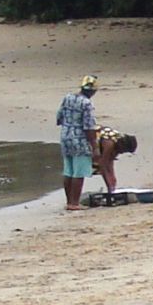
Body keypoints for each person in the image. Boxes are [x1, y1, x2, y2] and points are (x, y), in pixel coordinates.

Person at [56, 74, 100, 210]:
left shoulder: (68, 98)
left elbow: (59, 118)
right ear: (93, 91)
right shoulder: (87, 104)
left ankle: (69, 202)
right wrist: (95, 147)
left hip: (65, 136)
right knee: (79, 172)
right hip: (80, 139)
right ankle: (75, 203)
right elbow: (89, 127)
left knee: (68, 170)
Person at [91, 128, 138, 197]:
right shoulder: (109, 144)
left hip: (99, 147)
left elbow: (110, 162)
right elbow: (102, 165)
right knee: (92, 167)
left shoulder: (118, 143)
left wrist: (113, 178)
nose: (122, 153)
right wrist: (109, 184)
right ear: (123, 146)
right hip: (88, 141)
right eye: (124, 150)